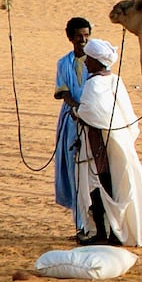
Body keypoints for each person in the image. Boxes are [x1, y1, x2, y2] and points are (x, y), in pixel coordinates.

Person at [73, 39, 142, 247]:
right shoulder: (115, 80)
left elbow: (91, 112)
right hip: (119, 143)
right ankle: (111, 231)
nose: (86, 63)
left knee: (98, 185)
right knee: (113, 185)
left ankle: (106, 233)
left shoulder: (94, 84)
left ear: (97, 61)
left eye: (89, 59)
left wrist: (76, 111)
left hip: (101, 146)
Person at [52, 17, 94, 238]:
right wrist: (77, 108)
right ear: (70, 38)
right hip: (71, 121)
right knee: (75, 172)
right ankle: (81, 225)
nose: (84, 40)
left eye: (87, 36)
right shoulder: (63, 63)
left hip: (94, 120)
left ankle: (95, 225)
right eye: (79, 36)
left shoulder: (96, 61)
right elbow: (63, 92)